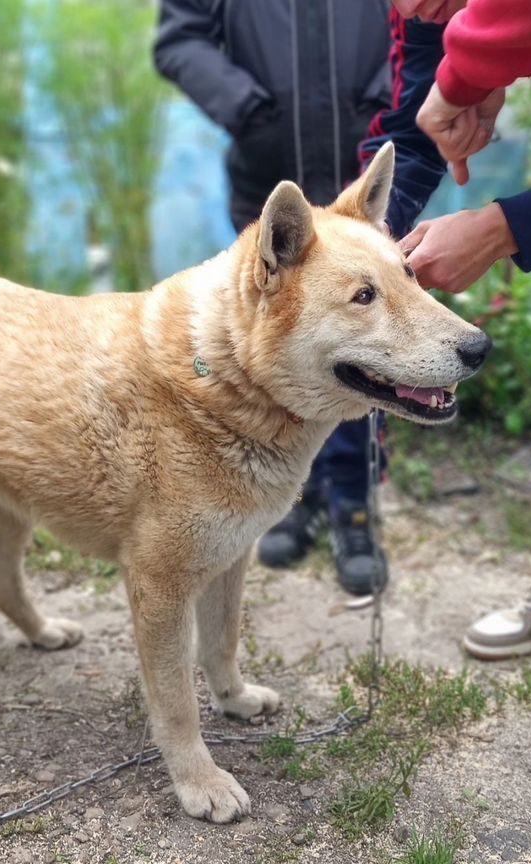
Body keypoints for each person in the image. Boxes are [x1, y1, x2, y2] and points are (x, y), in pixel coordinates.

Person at [360, 0, 531, 749]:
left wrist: (509, 224)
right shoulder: (419, 3)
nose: (412, 7)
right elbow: (415, 128)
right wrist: (355, 249)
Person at [153, 0, 393, 595]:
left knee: (366, 336)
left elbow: (432, 22)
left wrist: (385, 98)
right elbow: (180, 39)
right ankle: (295, 496)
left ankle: (354, 503)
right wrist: (249, 109)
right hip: (269, 176)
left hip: (360, 165)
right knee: (282, 342)